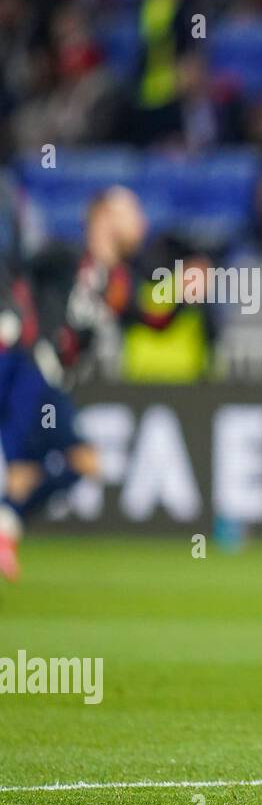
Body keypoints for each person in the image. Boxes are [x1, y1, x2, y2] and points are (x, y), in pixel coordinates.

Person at [0, 187, 166, 580]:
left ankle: (6, 525)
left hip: (51, 380)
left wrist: (183, 293)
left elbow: (153, 319)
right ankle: (6, 525)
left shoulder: (119, 282)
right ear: (105, 216)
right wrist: (10, 312)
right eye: (131, 211)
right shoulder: (64, 257)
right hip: (30, 367)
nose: (140, 221)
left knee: (29, 470)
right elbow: (12, 267)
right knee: (74, 461)